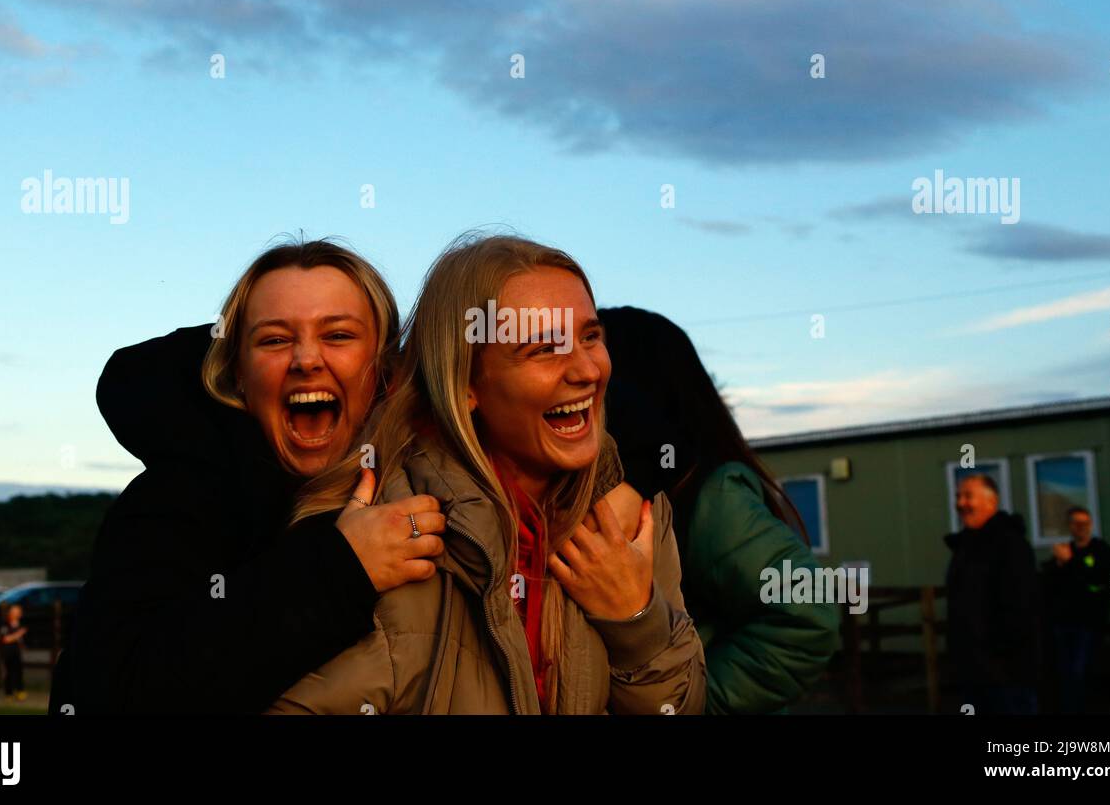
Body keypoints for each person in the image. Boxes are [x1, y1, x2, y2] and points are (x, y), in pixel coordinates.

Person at [268, 233, 704, 714]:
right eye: (543, 349)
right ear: (466, 385)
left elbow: (684, 706)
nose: (586, 370)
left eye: (590, 337)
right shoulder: (382, 533)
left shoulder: (630, 514)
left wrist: (635, 624)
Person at [50, 240, 449, 714]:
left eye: (338, 336)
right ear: (238, 374)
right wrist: (339, 571)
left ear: (383, 369)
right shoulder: (176, 498)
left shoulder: (417, 485)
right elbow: (116, 695)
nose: (306, 360)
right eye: (275, 340)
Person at [597, 305, 839, 714]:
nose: (584, 373)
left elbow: (808, 612)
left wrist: (695, 697)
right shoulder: (634, 484)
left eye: (598, 354)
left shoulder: (711, 493)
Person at [944, 474, 1041, 715]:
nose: (961, 503)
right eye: (958, 496)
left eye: (968, 496)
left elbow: (1022, 608)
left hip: (1007, 675)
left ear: (992, 501)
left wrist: (1000, 659)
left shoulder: (1011, 546)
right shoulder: (964, 548)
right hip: (974, 671)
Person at [1042, 506, 1110, 713]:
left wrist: (1070, 563)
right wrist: (1059, 564)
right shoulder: (1064, 551)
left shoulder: (1101, 550)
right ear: (1069, 525)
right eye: (1076, 523)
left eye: (1085, 523)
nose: (1081, 527)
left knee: (1081, 670)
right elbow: (1051, 585)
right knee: (1065, 671)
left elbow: (1099, 580)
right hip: (1063, 622)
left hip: (1089, 622)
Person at [0, 604, 29, 702]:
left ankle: (20, 691)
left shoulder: (21, 624)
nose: (16, 614)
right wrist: (18, 634)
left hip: (17, 652)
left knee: (19, 672)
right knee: (8, 673)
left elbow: (21, 640)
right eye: (14, 611)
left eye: (18, 612)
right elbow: (6, 639)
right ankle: (9, 693)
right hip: (7, 653)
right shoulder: (5, 624)